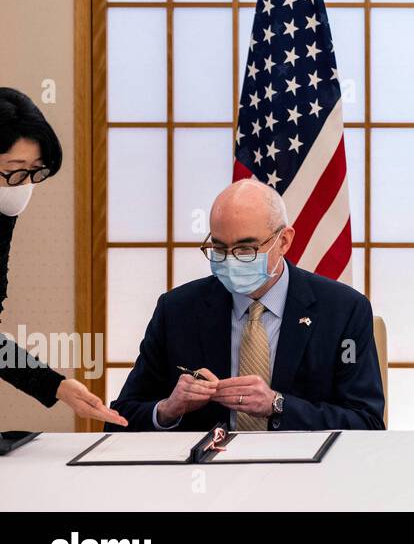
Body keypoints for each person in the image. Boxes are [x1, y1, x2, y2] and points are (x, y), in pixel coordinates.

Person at [109, 178, 384, 431]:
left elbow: (367, 422)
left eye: (245, 249)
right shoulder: (177, 311)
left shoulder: (343, 311)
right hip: (206, 477)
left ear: (284, 241)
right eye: (218, 248)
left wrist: (278, 405)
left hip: (304, 475)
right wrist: (168, 410)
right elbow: (119, 420)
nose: (230, 260)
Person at [0, 88, 126, 426]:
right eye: (15, 171)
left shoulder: (4, 209)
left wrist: (57, 386)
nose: (24, 184)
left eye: (35, 172)